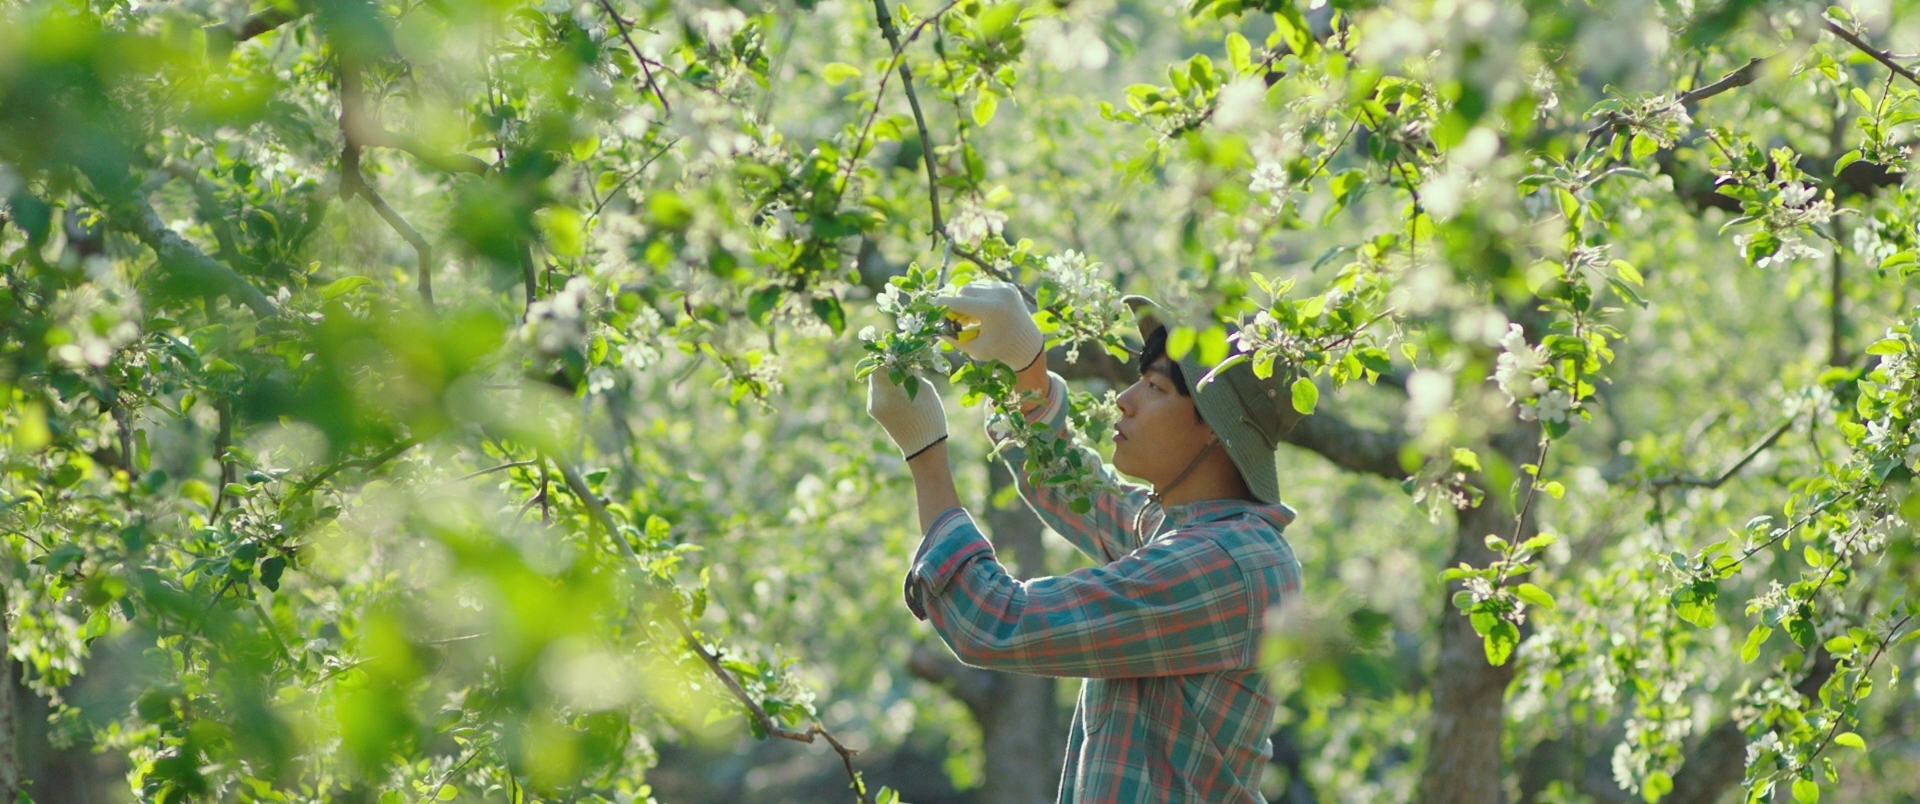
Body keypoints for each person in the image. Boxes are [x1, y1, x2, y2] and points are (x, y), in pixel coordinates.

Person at [864, 280, 1304, 803]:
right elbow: (1075, 490)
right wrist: (1026, 365)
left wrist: (925, 454)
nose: (1124, 400)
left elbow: (994, 620)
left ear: (1215, 429)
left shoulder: (1226, 563)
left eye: (1157, 388)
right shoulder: (1199, 534)